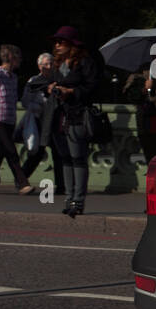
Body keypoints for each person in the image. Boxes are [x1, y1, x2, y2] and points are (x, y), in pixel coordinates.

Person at [47, 26, 99, 217]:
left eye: (62, 42)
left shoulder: (85, 63)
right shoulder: (58, 64)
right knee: (65, 158)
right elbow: (51, 84)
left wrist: (71, 92)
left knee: (78, 158)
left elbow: (92, 86)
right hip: (60, 116)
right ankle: (69, 198)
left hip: (78, 115)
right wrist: (52, 87)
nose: (57, 45)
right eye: (56, 42)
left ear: (72, 45)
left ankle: (78, 200)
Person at [18, 52, 62, 191]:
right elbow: (25, 101)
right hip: (40, 121)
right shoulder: (34, 81)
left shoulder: (58, 79)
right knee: (36, 153)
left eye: (51, 63)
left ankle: (61, 185)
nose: (49, 66)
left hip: (54, 120)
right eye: (46, 64)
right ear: (39, 66)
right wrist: (38, 105)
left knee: (58, 152)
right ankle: (21, 178)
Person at [0, 44, 34, 194]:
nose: (21, 60)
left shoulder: (13, 78)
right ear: (11, 57)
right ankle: (22, 183)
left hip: (10, 120)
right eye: (18, 56)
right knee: (11, 151)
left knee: (0, 152)